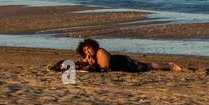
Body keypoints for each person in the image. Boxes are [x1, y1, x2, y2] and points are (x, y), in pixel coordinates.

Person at [48, 39, 183, 73]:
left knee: (146, 66)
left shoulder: (100, 52)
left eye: (89, 48)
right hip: (119, 67)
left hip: (124, 63)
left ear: (93, 46)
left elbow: (104, 67)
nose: (88, 51)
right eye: (85, 50)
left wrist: (90, 65)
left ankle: (169, 65)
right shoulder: (90, 57)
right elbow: (80, 63)